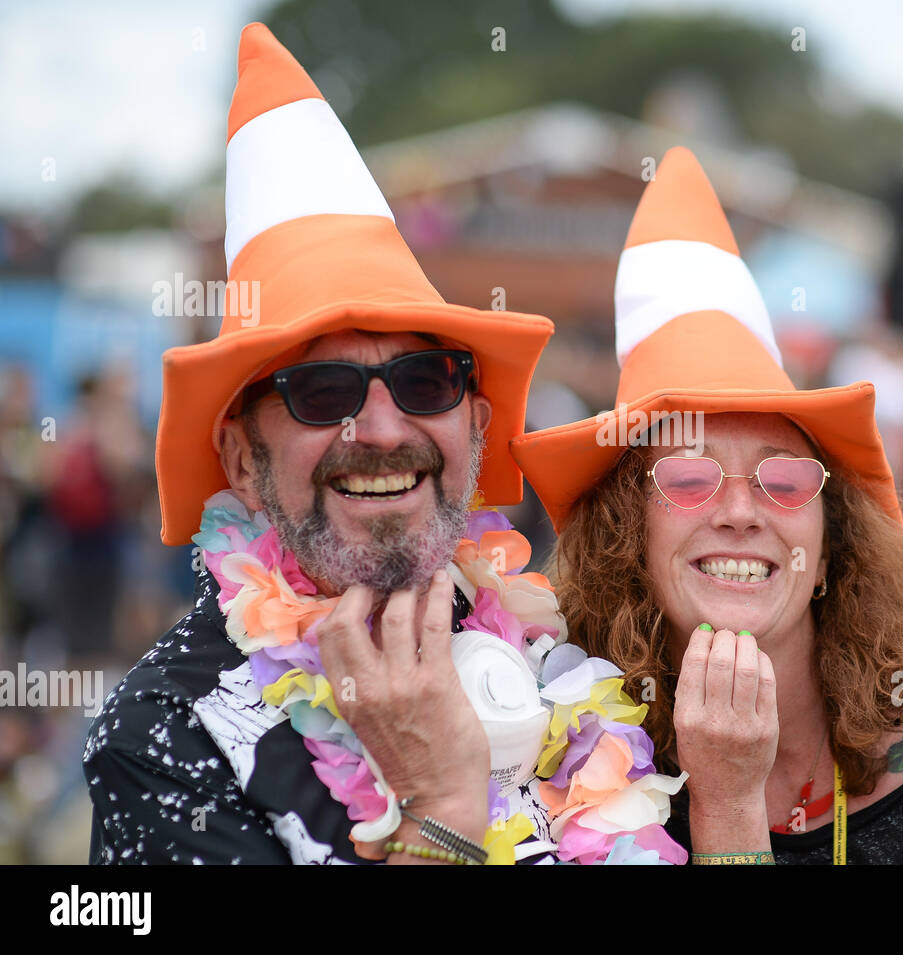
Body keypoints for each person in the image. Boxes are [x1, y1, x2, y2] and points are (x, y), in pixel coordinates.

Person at [83, 23, 685, 866]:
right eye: (322, 391)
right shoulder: (167, 735)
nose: (384, 428)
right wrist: (440, 810)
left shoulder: (567, 655)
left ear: (474, 428)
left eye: (425, 380)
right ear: (239, 459)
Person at [511, 147, 903, 864]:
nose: (741, 511)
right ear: (626, 538)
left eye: (783, 480)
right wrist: (725, 801)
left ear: (828, 543)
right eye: (690, 478)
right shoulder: (566, 767)